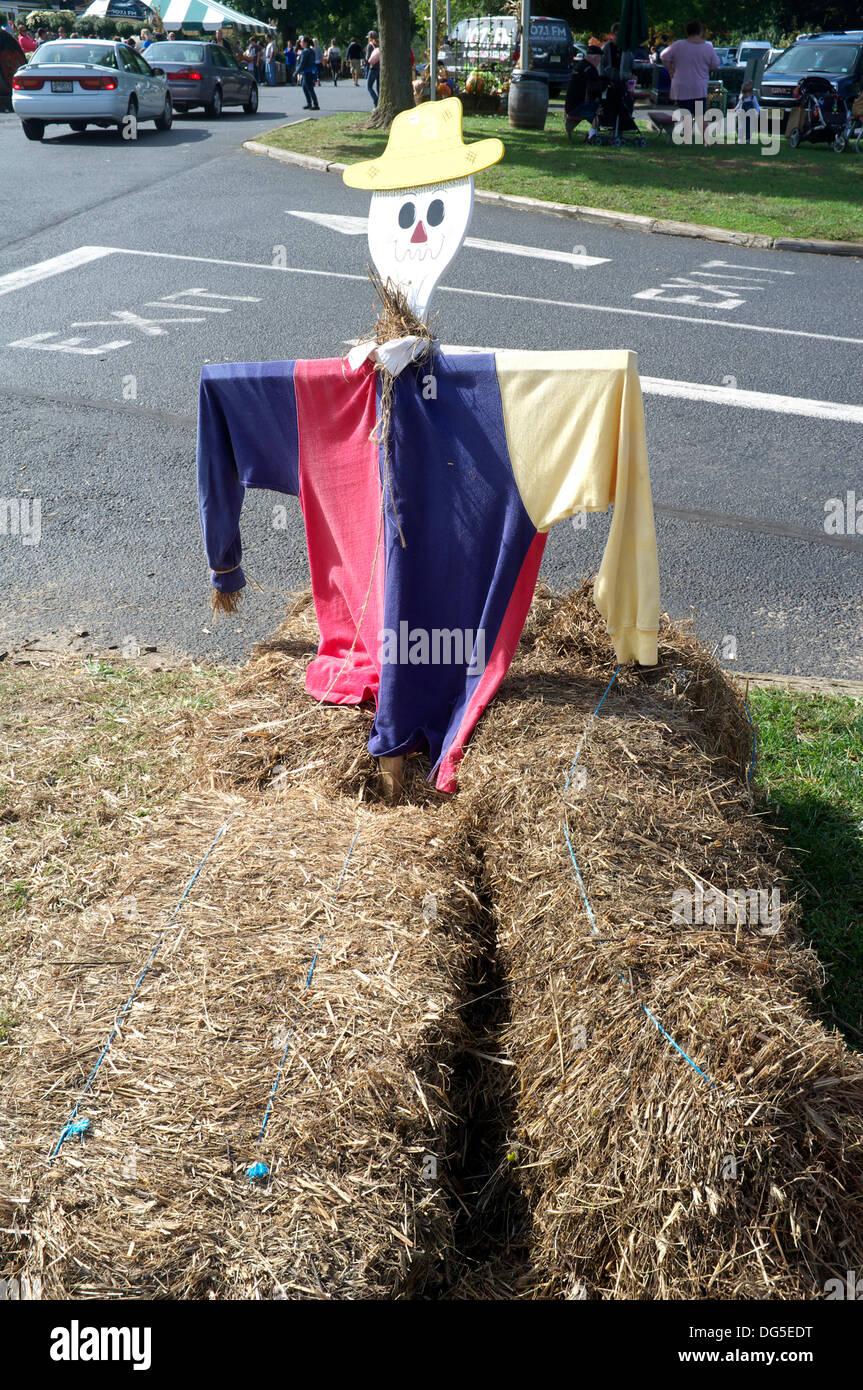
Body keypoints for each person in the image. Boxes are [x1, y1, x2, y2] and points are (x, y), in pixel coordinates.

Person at [660, 20, 719, 125]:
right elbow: (715, 64)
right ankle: (707, 140)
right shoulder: (707, 47)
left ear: (687, 31)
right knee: (700, 116)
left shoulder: (678, 45)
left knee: (685, 114)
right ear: (700, 31)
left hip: (681, 86)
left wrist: (670, 69)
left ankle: (686, 138)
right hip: (699, 86)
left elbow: (663, 55)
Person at [564, 44, 604, 141]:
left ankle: (594, 132)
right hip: (578, 107)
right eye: (600, 58)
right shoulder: (590, 69)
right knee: (602, 109)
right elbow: (596, 89)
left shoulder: (580, 66)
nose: (600, 61)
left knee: (596, 106)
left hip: (569, 107)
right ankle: (592, 135)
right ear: (595, 58)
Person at [734, 79, 760, 144]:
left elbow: (757, 106)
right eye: (744, 93)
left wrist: (758, 113)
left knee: (749, 127)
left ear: (750, 92)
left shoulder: (753, 98)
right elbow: (739, 105)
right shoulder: (742, 98)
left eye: (746, 93)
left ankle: (748, 138)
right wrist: (735, 110)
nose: (745, 94)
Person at [296, 35, 319, 109]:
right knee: (304, 87)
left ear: (305, 43)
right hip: (311, 71)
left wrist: (296, 72)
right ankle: (309, 103)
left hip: (307, 72)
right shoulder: (311, 50)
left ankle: (316, 105)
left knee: (310, 88)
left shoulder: (305, 51)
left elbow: (302, 63)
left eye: (301, 42)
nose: (300, 43)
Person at [366, 35, 380, 107]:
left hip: (373, 68)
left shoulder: (370, 46)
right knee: (378, 87)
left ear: (370, 38)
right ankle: (380, 101)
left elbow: (367, 58)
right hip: (380, 68)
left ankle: (376, 100)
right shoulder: (380, 45)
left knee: (369, 86)